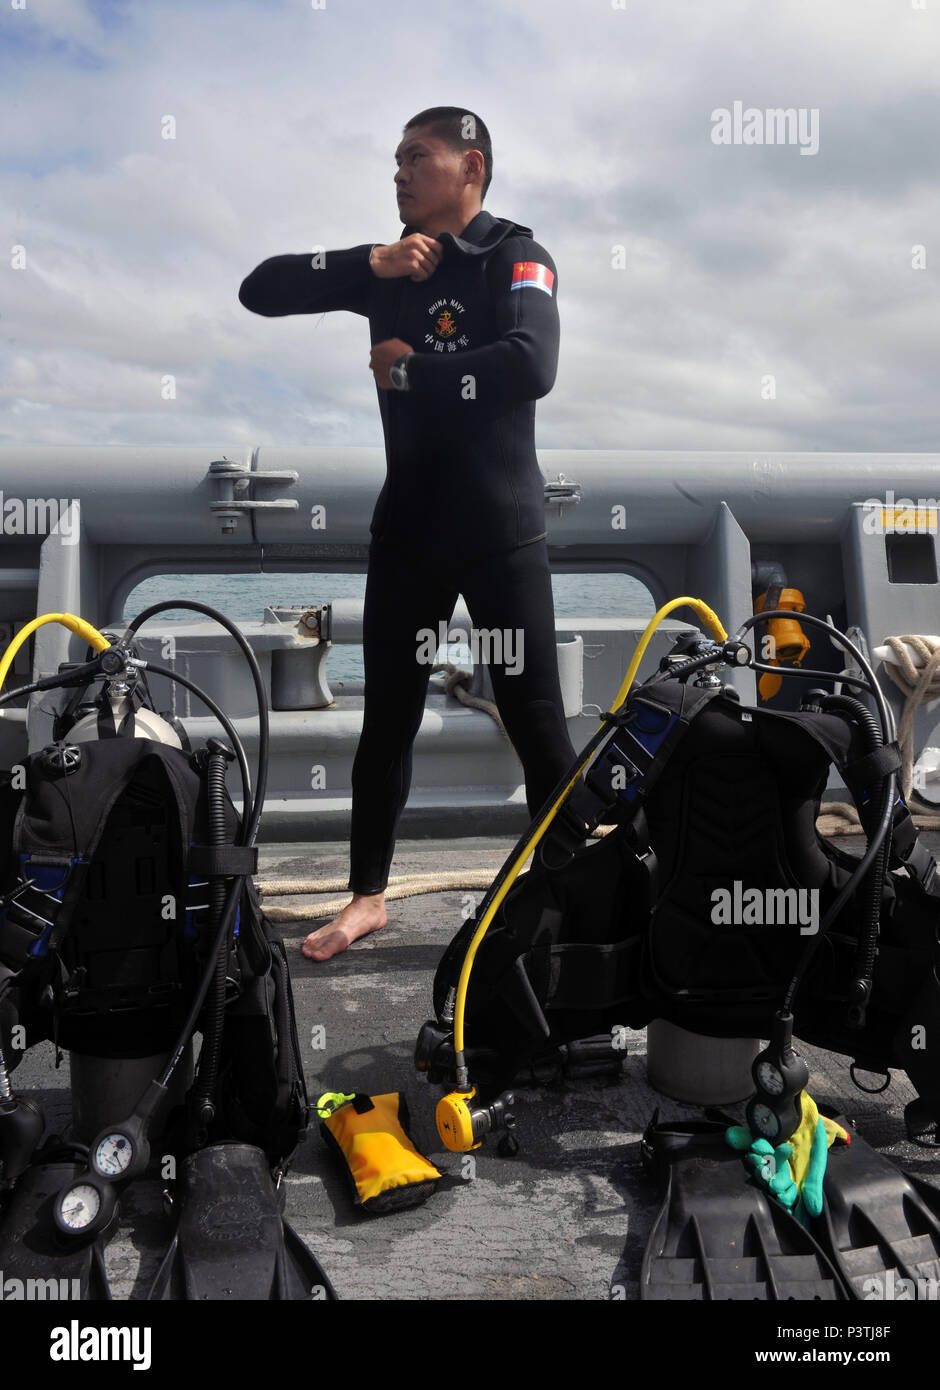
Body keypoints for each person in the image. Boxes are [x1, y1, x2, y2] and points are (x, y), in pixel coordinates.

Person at [239, 106, 578, 960]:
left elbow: (530, 364)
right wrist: (366, 262)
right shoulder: (387, 268)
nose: (397, 172)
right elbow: (259, 288)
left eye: (415, 158)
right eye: (393, 158)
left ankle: (576, 901)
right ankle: (367, 897)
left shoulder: (518, 254)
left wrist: (412, 371)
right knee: (384, 722)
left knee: (536, 722)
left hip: (501, 533)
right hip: (410, 535)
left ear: (470, 168)